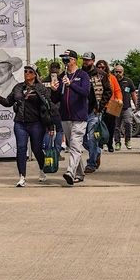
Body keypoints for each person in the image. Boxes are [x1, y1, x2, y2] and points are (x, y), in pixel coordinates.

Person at [0, 65, 55, 186]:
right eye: (25, 71)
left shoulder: (41, 88)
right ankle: (22, 177)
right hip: (20, 123)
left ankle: (42, 169)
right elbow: (8, 102)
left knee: (36, 149)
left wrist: (50, 126)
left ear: (35, 74)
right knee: (21, 148)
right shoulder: (18, 87)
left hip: (36, 123)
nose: (27, 73)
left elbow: (48, 107)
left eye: (30, 72)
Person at [50, 50, 91, 185]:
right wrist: (54, 90)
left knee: (74, 144)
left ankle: (70, 172)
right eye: (63, 59)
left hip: (79, 116)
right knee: (74, 145)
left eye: (67, 59)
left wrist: (71, 84)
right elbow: (55, 99)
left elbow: (85, 92)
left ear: (74, 60)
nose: (65, 62)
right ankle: (79, 173)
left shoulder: (83, 75)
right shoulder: (62, 76)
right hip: (65, 116)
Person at [81, 52, 112, 172]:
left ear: (93, 61)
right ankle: (97, 152)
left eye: (88, 60)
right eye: (84, 60)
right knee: (82, 140)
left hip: (94, 112)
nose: (85, 62)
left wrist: (100, 107)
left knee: (92, 138)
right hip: (81, 112)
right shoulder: (79, 73)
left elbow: (108, 91)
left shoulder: (101, 75)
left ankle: (91, 164)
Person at [96, 60, 122, 152]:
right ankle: (100, 144)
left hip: (111, 105)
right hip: (98, 105)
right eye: (98, 67)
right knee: (98, 126)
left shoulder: (112, 77)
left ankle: (110, 144)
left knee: (111, 127)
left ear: (106, 67)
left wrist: (119, 100)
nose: (100, 69)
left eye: (102, 67)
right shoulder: (94, 77)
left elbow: (117, 90)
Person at [44, 61, 66, 153]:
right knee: (60, 130)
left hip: (46, 109)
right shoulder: (61, 81)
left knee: (48, 131)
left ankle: (48, 153)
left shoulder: (44, 80)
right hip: (58, 109)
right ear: (59, 70)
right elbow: (63, 95)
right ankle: (56, 153)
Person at [113, 64, 137, 150]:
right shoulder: (112, 80)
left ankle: (128, 140)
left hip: (127, 106)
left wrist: (136, 105)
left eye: (120, 72)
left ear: (123, 72)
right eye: (116, 71)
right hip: (115, 106)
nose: (118, 73)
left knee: (128, 123)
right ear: (114, 72)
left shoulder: (128, 81)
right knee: (116, 126)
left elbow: (133, 93)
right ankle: (117, 142)